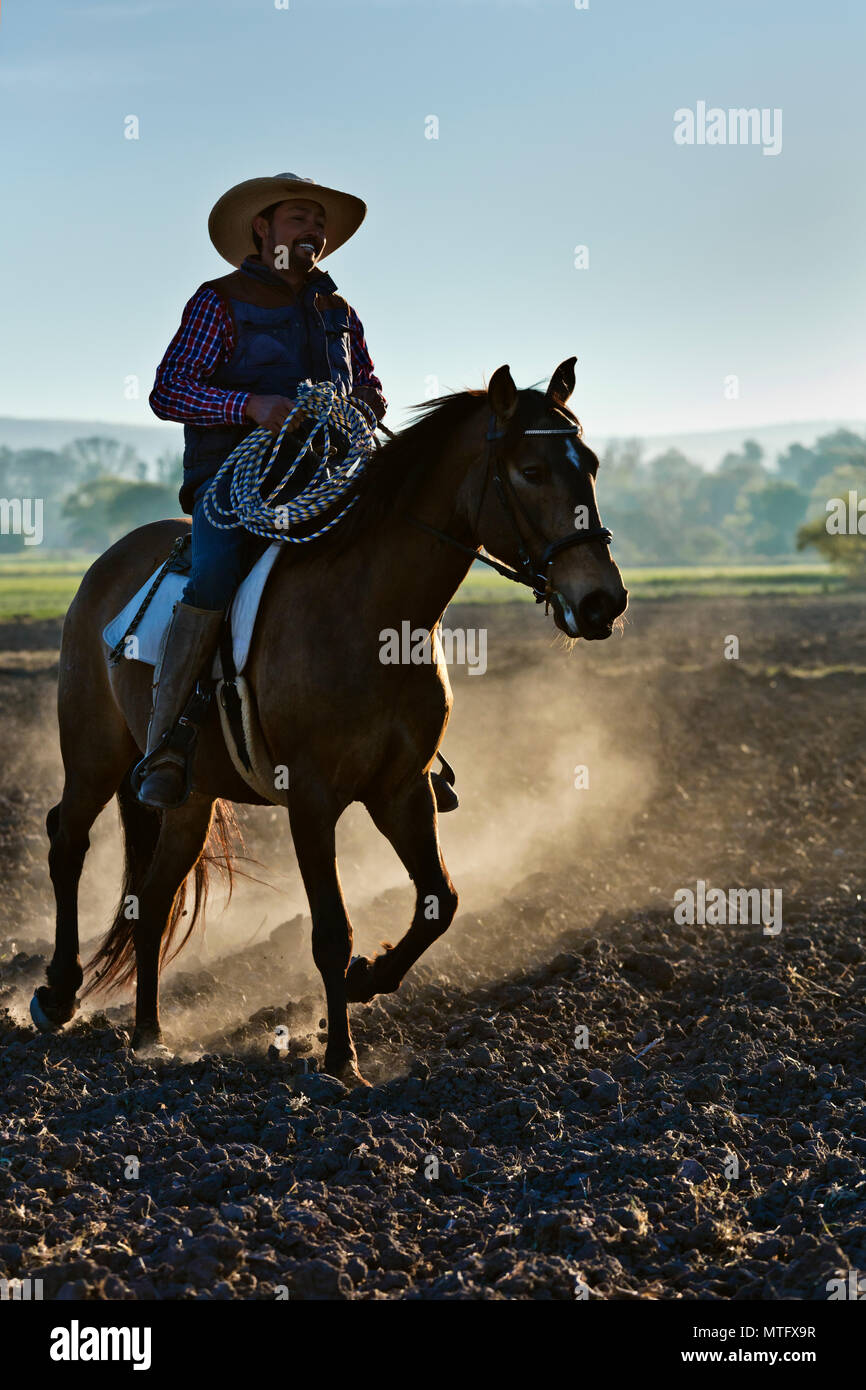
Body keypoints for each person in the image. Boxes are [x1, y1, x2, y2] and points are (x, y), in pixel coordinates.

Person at [136, 172, 386, 809]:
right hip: (233, 480)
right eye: (300, 218)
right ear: (263, 229)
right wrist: (250, 405)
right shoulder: (218, 301)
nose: (314, 232)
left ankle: (405, 733)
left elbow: (372, 390)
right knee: (215, 575)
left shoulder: (339, 312)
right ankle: (167, 740)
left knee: (391, 558)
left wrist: (355, 407)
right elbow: (169, 391)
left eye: (320, 223)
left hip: (323, 477)